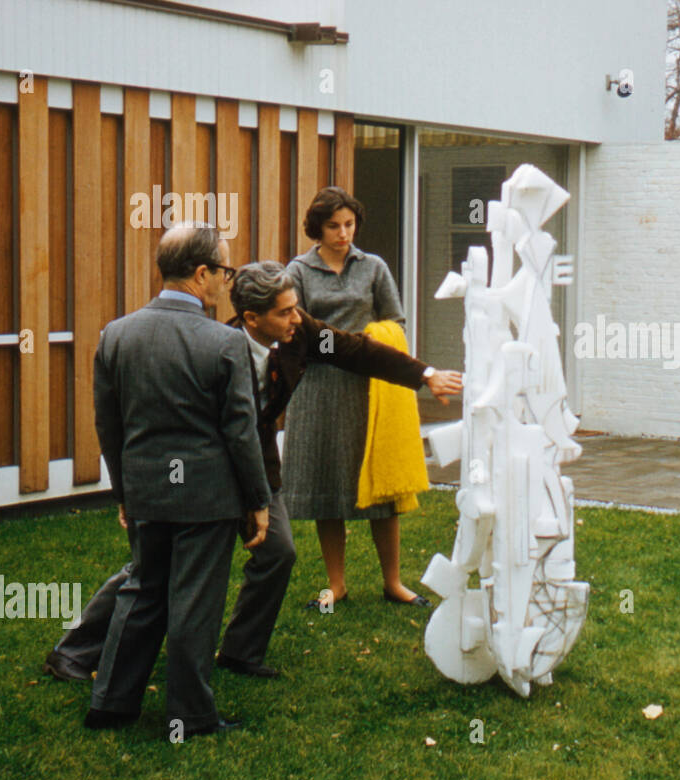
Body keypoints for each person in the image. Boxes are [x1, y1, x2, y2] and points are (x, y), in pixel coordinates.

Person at [45, 262, 461, 683]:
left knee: (278, 552)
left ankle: (241, 652)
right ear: (250, 319)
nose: (296, 319)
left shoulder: (300, 336)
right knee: (156, 566)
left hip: (258, 462)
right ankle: (73, 652)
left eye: (296, 308)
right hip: (206, 470)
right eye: (285, 312)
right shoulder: (217, 348)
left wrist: (424, 374)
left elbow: (355, 350)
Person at [86, 223, 271, 736]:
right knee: (194, 601)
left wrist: (124, 491)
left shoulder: (116, 334)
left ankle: (111, 702)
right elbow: (241, 433)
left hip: (146, 488)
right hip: (206, 496)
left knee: (142, 590)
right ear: (201, 272)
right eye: (225, 271)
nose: (226, 283)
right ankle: (189, 715)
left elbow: (110, 425)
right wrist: (258, 500)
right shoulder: (223, 343)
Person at [283, 187, 456, 605]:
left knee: (384, 485)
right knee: (328, 484)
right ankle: (336, 584)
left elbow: (394, 322)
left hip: (371, 390)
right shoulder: (298, 271)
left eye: (349, 224)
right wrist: (343, 350)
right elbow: (300, 332)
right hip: (320, 390)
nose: (343, 233)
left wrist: (369, 349)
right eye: (333, 226)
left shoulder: (373, 267)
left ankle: (393, 582)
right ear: (316, 228)